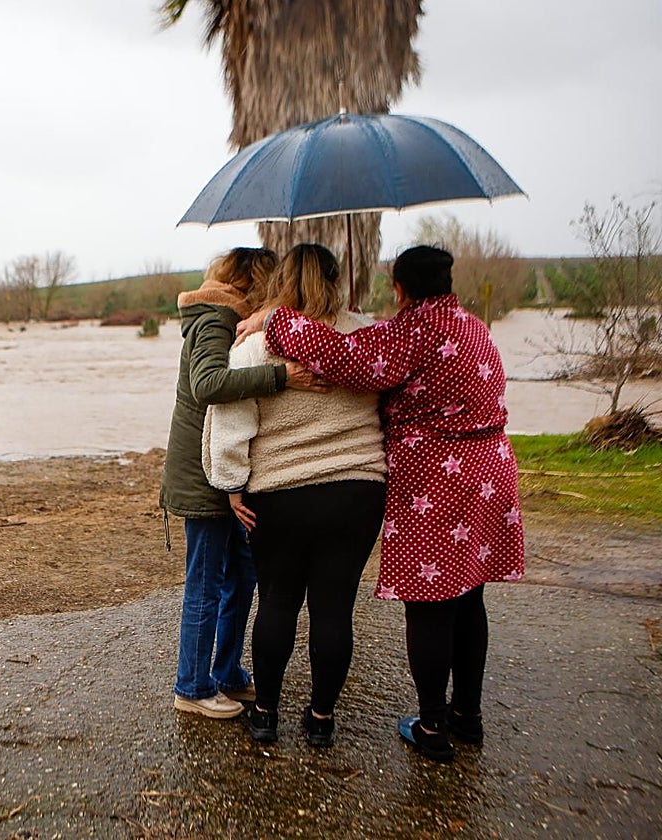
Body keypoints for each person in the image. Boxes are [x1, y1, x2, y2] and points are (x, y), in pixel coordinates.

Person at [257, 244, 525, 762]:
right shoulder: (474, 325)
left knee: (429, 603)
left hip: (438, 477)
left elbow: (349, 360)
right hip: (492, 467)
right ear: (447, 281)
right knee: (469, 596)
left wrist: (277, 320)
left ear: (399, 287)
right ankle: (466, 715)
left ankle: (430, 726)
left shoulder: (413, 331)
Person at [203, 243, 387, 747]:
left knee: (278, 604)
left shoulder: (255, 346)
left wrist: (232, 486)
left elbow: (231, 425)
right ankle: (322, 719)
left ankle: (264, 715)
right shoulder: (369, 337)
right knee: (334, 609)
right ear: (336, 281)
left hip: (280, 494)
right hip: (357, 491)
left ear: (280, 283)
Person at [159, 246, 325, 719]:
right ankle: (191, 687)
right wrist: (281, 376)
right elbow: (206, 385)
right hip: (203, 474)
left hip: (222, 471)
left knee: (242, 576)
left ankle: (228, 672)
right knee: (207, 583)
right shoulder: (215, 318)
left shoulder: (228, 318)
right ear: (254, 281)